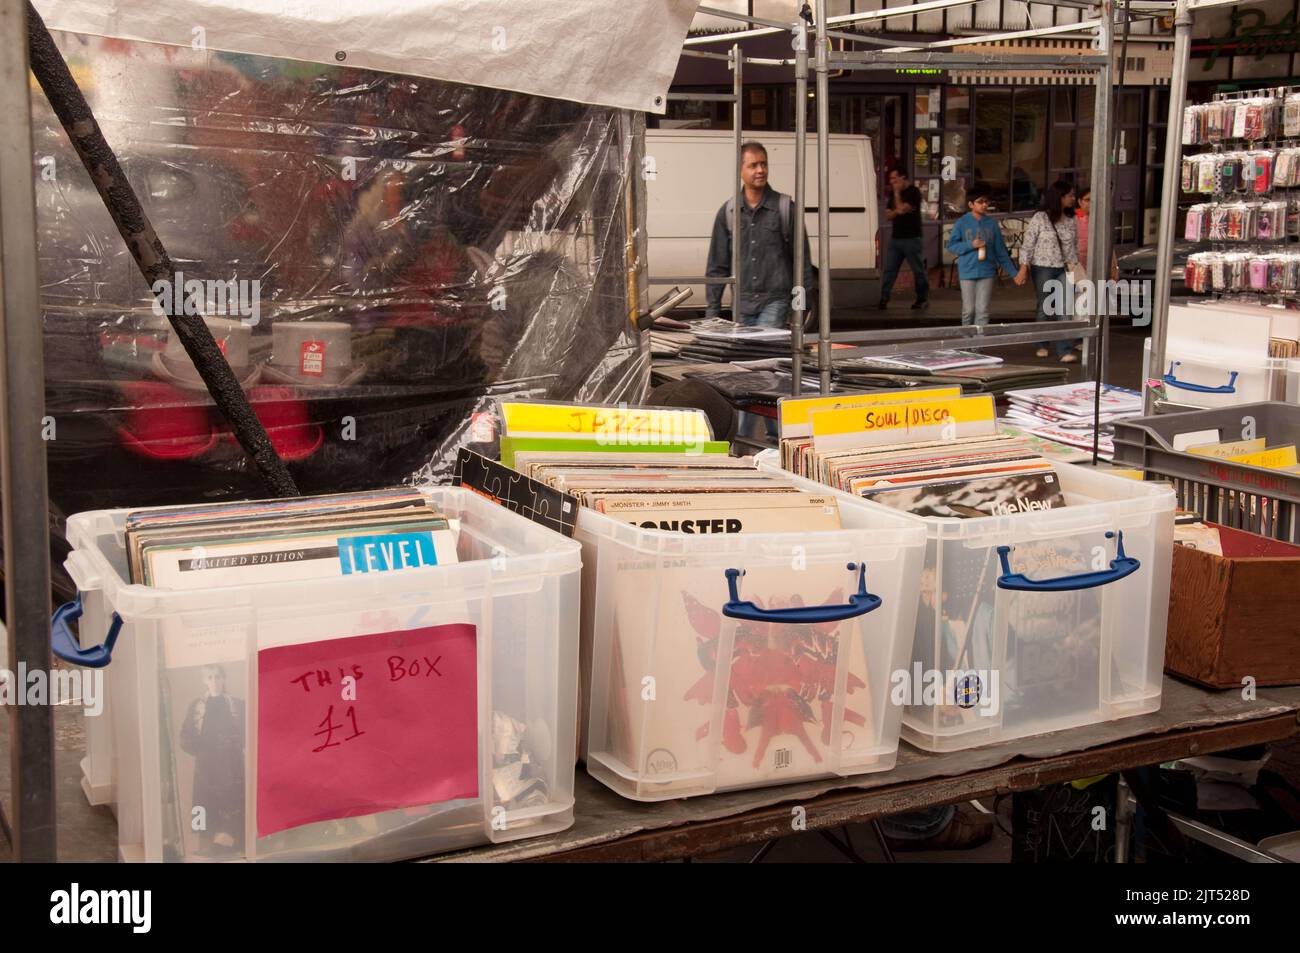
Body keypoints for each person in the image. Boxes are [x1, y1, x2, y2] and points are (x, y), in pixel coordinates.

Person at [705, 140, 812, 439]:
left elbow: (802, 260)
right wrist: (711, 317)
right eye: (753, 165)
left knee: (764, 371)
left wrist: (801, 308)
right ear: (740, 170)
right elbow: (716, 266)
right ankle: (750, 442)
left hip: (774, 301)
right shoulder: (728, 212)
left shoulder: (783, 207)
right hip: (742, 306)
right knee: (742, 376)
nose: (760, 170)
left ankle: (770, 439)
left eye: (763, 163)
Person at [179, 664, 246, 857]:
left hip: (231, 764)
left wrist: (232, 746)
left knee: (231, 800)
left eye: (217, 677)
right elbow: (185, 735)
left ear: (224, 679)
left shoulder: (236, 704)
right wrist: (200, 749)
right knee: (205, 802)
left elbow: (247, 731)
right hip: (206, 764)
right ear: (204, 680)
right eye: (209, 677)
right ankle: (208, 846)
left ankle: (228, 843)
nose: (214, 681)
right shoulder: (197, 705)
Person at [1017, 180, 1080, 363]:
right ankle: (1042, 343)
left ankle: (1064, 350)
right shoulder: (1040, 218)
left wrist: (1076, 270)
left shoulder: (1071, 219)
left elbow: (1073, 247)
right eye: (1070, 195)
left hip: (1064, 268)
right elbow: (1028, 245)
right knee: (1046, 306)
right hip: (1042, 267)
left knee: (1065, 308)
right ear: (1059, 197)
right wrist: (1023, 267)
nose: (1072, 198)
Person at [945, 183, 1024, 326]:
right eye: (980, 202)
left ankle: (979, 345)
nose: (984, 205)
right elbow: (951, 246)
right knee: (968, 310)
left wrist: (1014, 273)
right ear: (970, 204)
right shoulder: (961, 223)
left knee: (983, 310)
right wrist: (970, 245)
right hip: (967, 272)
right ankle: (966, 342)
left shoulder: (992, 224)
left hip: (987, 271)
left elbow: (1001, 251)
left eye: (986, 202)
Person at [878, 170, 929, 310]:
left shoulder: (913, 192)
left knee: (918, 270)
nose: (892, 182)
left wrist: (896, 195)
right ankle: (884, 297)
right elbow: (888, 215)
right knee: (889, 269)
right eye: (891, 179)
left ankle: (922, 298)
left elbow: (902, 208)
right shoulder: (893, 196)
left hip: (912, 238)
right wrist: (897, 211)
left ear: (903, 177)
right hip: (896, 238)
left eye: (895, 178)